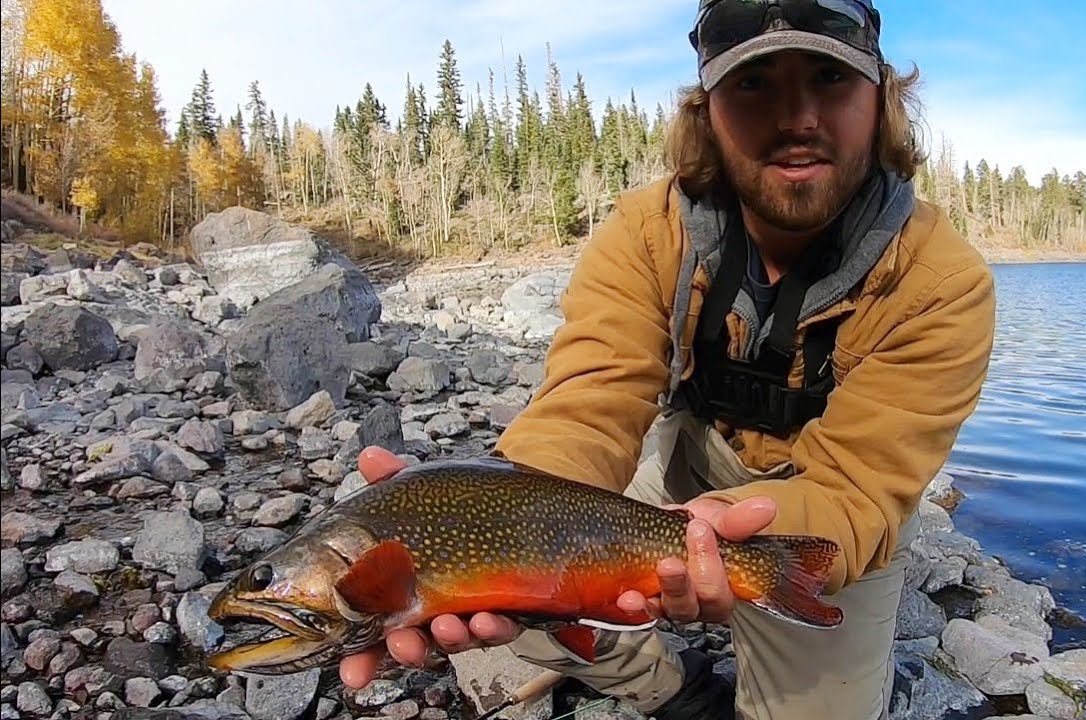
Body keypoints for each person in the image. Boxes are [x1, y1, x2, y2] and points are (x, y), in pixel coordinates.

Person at [339, 0, 996, 718]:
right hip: (687, 463)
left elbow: (862, 491)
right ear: (706, 111)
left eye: (829, 80)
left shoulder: (942, 283)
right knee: (498, 621)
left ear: (882, 102)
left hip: (822, 509)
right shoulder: (647, 232)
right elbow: (588, 404)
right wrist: (485, 513)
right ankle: (675, 691)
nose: (798, 116)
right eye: (754, 85)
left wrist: (719, 535)